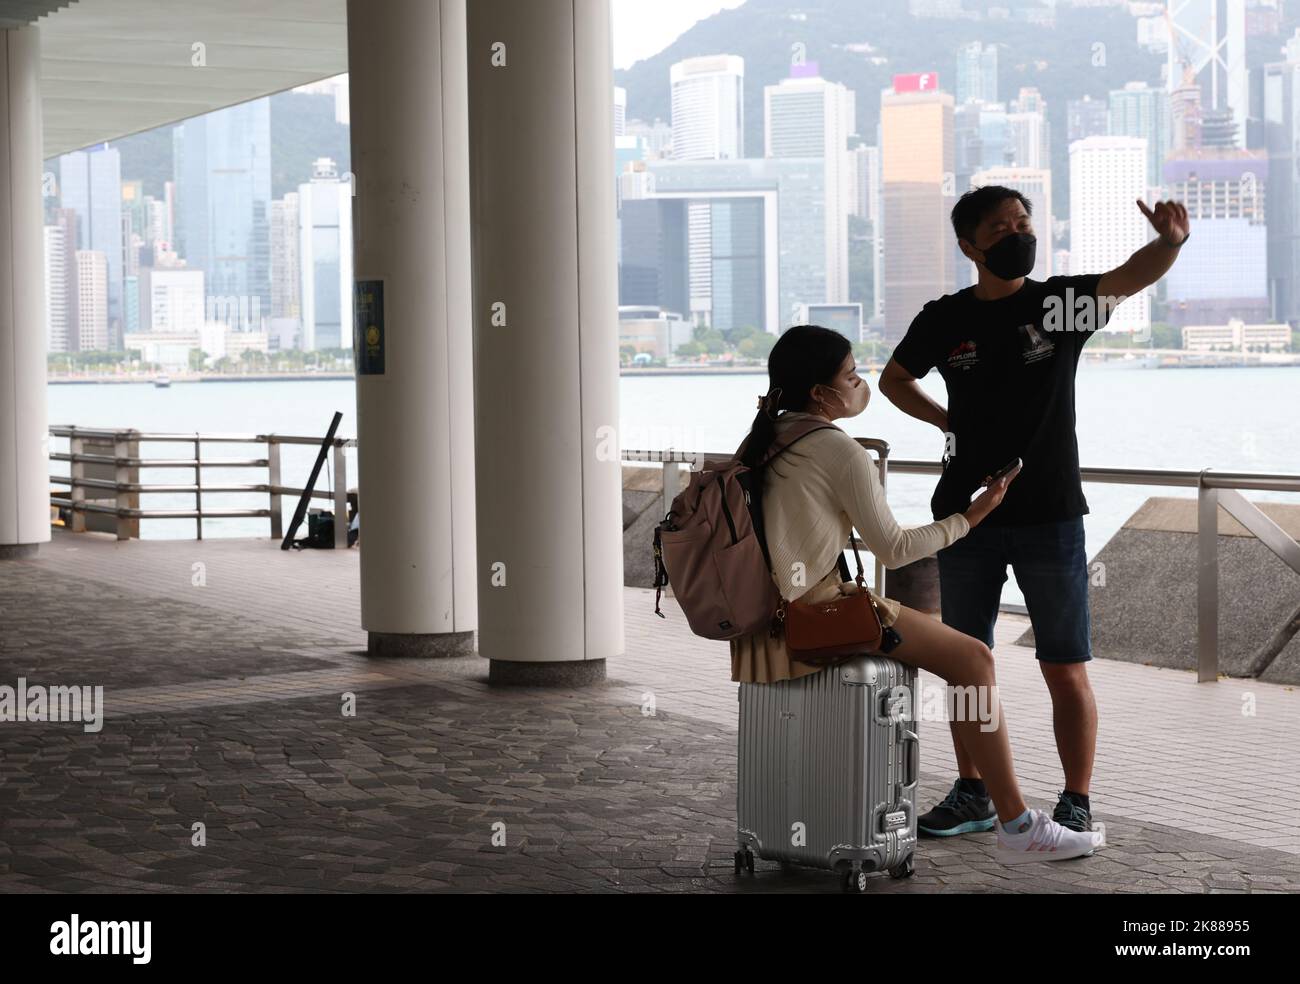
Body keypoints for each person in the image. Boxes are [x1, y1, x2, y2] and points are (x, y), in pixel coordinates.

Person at [879, 186, 1189, 837]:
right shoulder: (944, 317)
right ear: (969, 246)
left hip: (1050, 513)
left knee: (1064, 666)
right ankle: (973, 792)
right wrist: (947, 420)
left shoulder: (1058, 305)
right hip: (966, 518)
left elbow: (1130, 277)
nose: (1017, 233)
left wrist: (1168, 243)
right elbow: (894, 380)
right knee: (965, 663)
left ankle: (1076, 798)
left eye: (1023, 222)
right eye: (1000, 228)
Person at [731, 324, 1104, 863]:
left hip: (763, 623)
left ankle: (983, 800)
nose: (860, 384)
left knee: (966, 657)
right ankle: (1018, 825)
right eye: (851, 376)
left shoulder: (764, 439)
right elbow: (896, 549)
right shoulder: (835, 448)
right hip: (819, 614)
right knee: (973, 659)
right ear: (821, 393)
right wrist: (971, 516)